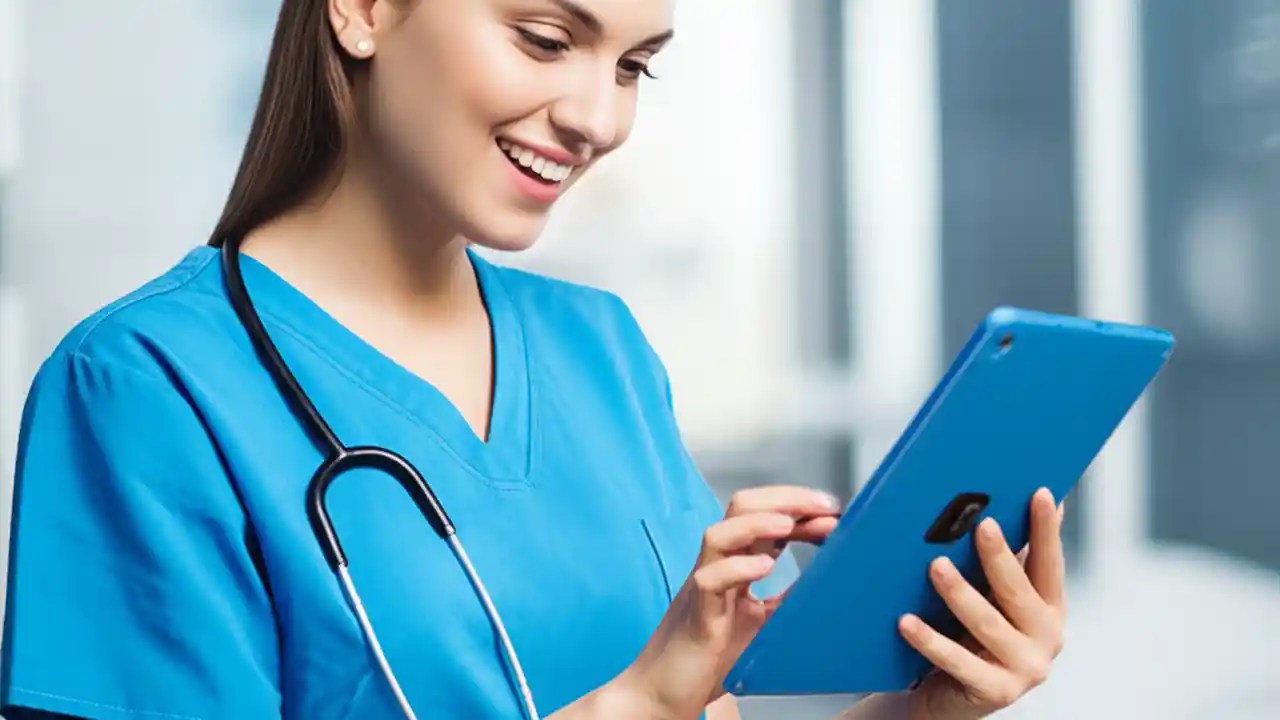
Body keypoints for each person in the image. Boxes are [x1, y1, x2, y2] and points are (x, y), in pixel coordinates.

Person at [0, 1, 1068, 719]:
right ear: (363, 9)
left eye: (633, 66)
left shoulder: (600, 348)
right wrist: (633, 705)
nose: (597, 118)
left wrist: (913, 714)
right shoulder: (145, 386)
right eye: (547, 38)